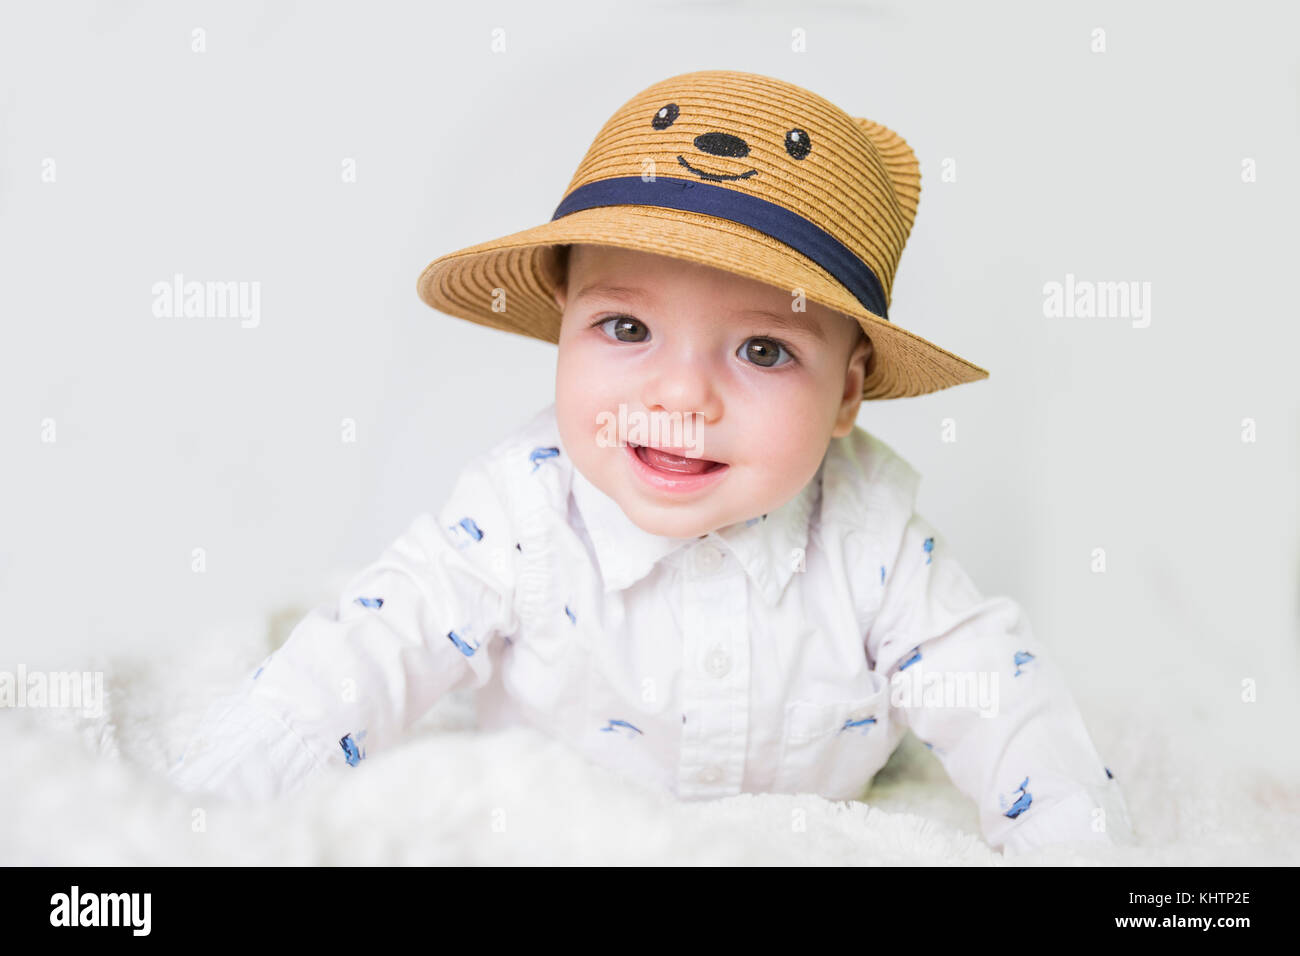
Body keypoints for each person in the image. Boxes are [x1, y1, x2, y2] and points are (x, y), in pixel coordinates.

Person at [169, 69, 1134, 856]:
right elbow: (371, 646)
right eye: (625, 327)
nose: (679, 399)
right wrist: (209, 809)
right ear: (560, 334)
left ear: (848, 395)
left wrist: (1070, 837)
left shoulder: (871, 534)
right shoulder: (523, 507)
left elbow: (997, 690)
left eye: (763, 351)